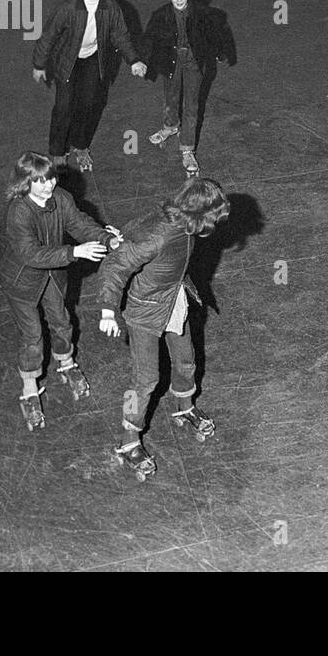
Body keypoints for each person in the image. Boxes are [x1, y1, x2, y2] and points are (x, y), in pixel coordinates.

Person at [97, 178, 231, 480]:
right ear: (199, 213)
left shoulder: (180, 222)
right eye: (213, 217)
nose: (214, 224)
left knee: (185, 360)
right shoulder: (159, 235)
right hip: (144, 310)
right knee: (145, 380)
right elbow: (115, 266)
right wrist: (107, 308)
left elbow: (135, 229)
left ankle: (185, 406)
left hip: (174, 299)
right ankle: (128, 439)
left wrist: (122, 235)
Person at [0, 151, 123, 430]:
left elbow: (78, 223)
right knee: (33, 334)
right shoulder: (18, 211)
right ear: (25, 183)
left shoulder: (61, 197)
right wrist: (75, 251)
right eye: (39, 181)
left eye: (50, 177)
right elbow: (30, 254)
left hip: (53, 271)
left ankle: (66, 361)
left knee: (62, 320)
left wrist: (106, 239)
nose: (48, 185)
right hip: (20, 279)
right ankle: (30, 383)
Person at [32, 0, 147, 172]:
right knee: (64, 106)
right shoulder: (69, 7)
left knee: (88, 104)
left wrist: (133, 60)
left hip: (93, 58)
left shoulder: (110, 6)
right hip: (68, 60)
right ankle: (58, 151)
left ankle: (80, 145)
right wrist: (39, 64)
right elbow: (49, 36)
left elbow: (120, 34)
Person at [143, 0, 236, 177]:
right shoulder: (160, 15)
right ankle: (170, 127)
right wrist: (141, 61)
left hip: (194, 62)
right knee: (171, 98)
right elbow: (149, 39)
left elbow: (215, 33)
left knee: (191, 105)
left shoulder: (201, 13)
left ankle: (187, 149)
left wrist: (221, 53)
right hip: (171, 62)